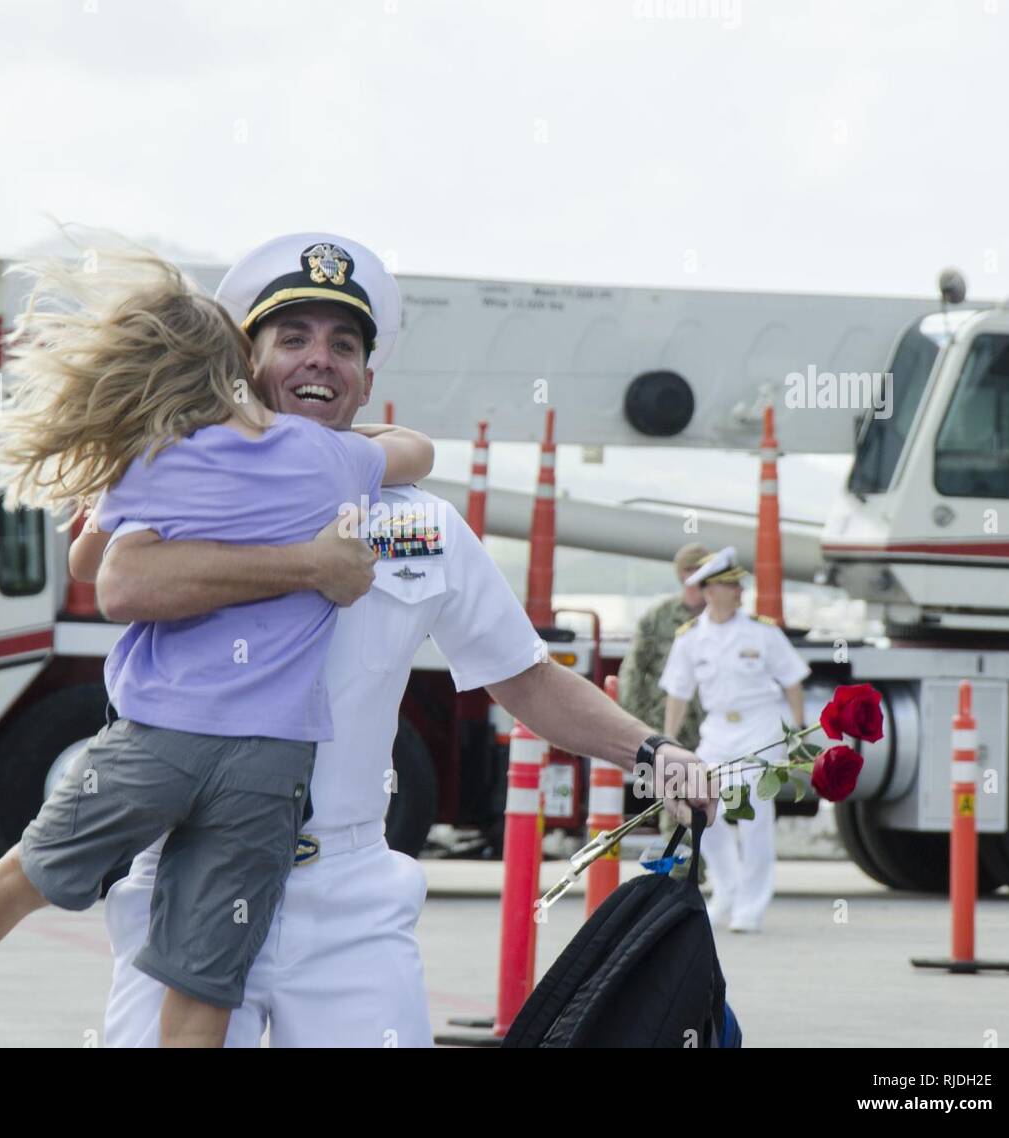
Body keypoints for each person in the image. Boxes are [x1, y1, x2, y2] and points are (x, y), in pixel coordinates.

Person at [81, 232, 719, 1048]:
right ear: (246, 362)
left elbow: (523, 677)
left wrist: (652, 750)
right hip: (190, 870)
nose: (321, 360)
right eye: (294, 338)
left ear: (368, 380)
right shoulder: (191, 490)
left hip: (345, 894)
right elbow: (115, 584)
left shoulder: (420, 523)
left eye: (343, 344)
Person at [0, 247, 433, 1049]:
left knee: (22, 878)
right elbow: (415, 451)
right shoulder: (330, 458)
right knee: (206, 973)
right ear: (244, 366)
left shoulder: (159, 458)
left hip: (156, 742)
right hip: (269, 764)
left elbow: (90, 562)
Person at [659, 546, 810, 933]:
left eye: (739, 584)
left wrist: (796, 734)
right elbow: (678, 692)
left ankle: (751, 906)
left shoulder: (762, 631)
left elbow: (792, 681)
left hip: (761, 726)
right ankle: (727, 888)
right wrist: (669, 742)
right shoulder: (690, 638)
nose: (740, 591)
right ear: (711, 591)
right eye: (731, 585)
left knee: (754, 815)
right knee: (701, 810)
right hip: (718, 730)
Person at [617, 542, 708, 846]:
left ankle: (710, 856)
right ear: (680, 574)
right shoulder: (659, 617)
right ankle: (682, 860)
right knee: (674, 788)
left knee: (713, 790)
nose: (695, 576)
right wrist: (632, 717)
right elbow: (634, 669)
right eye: (689, 569)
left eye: (701, 569)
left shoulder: (720, 618)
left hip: (712, 721)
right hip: (669, 720)